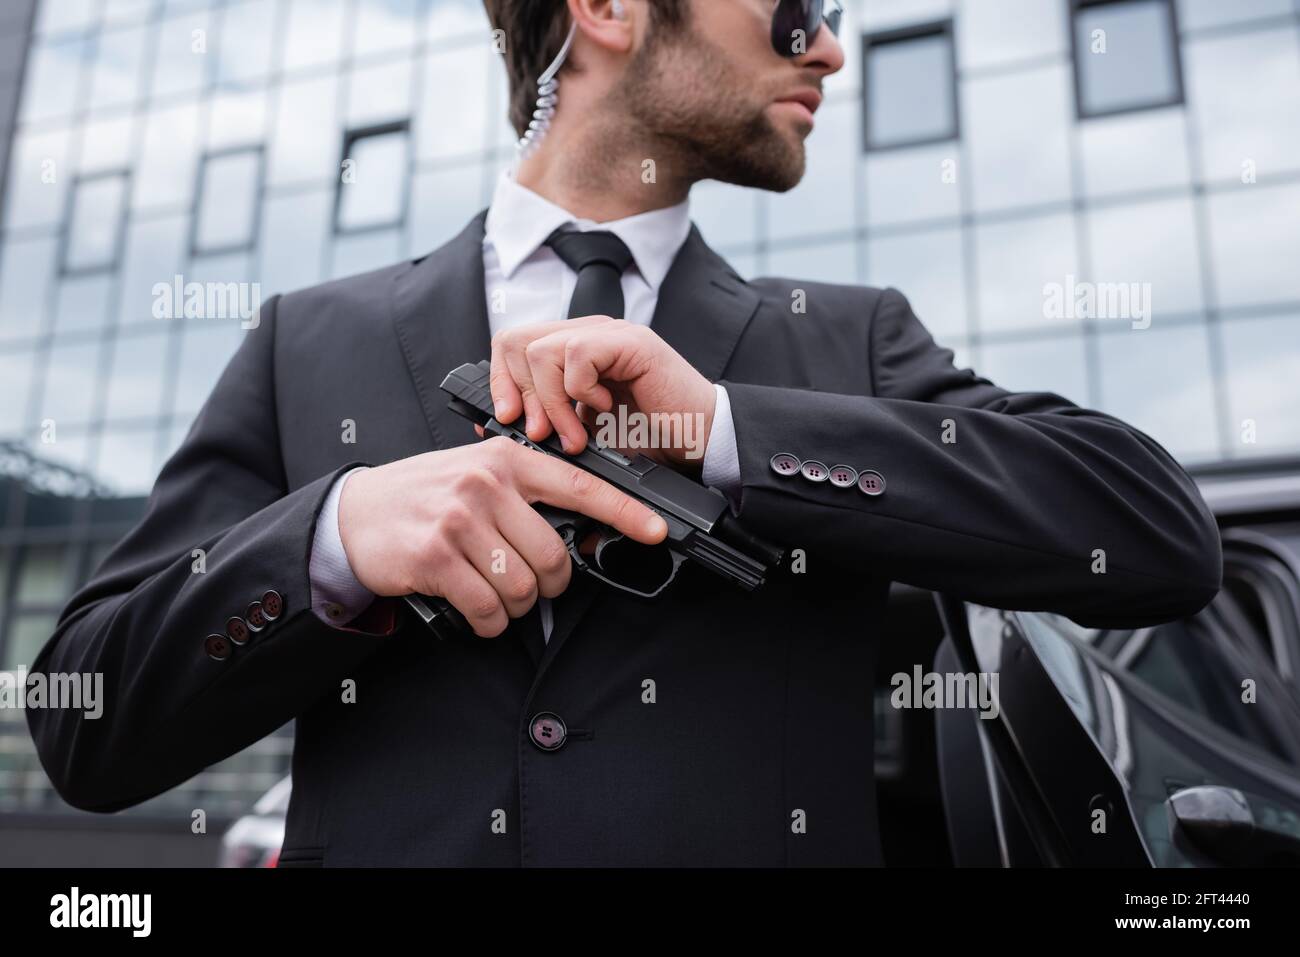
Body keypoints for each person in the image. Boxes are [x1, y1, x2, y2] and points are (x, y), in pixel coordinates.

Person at [27, 0, 1221, 866]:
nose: (833, 48)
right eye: (799, 7)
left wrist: (724, 427)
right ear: (604, 8)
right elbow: (87, 718)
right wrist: (331, 541)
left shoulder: (849, 346)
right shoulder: (306, 342)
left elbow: (1157, 535)